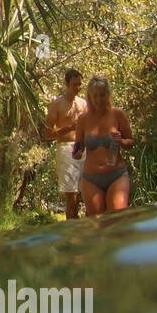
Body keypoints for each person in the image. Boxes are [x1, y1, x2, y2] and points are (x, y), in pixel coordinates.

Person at [72, 76, 134, 217]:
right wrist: (76, 152)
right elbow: (78, 146)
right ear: (89, 97)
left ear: (108, 94)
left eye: (102, 95)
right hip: (91, 178)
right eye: (95, 96)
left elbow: (130, 141)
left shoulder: (118, 114)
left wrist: (121, 142)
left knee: (117, 217)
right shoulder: (82, 119)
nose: (99, 99)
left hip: (116, 175)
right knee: (97, 220)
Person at [44, 69, 88, 219]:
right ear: (67, 84)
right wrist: (69, 128)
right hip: (65, 148)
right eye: (75, 84)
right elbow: (47, 134)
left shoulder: (84, 104)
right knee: (72, 195)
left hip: (83, 147)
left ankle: (88, 229)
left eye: (80, 84)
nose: (78, 87)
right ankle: (71, 230)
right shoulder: (56, 105)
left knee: (88, 191)